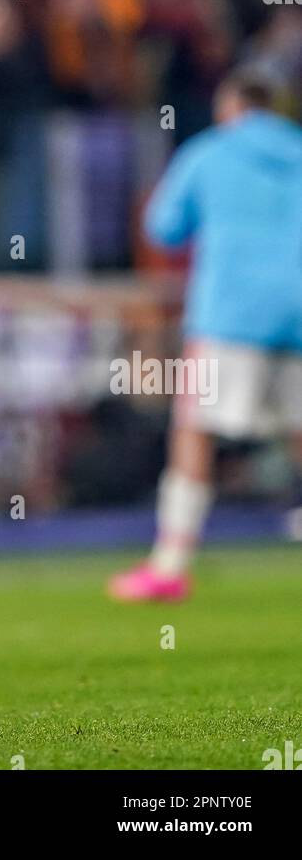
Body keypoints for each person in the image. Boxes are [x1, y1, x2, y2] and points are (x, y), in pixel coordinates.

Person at [109, 69, 302, 602]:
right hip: (299, 310)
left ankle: (170, 564)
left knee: (195, 428)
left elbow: (163, 226)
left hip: (232, 311)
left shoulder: (210, 153)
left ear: (233, 106)